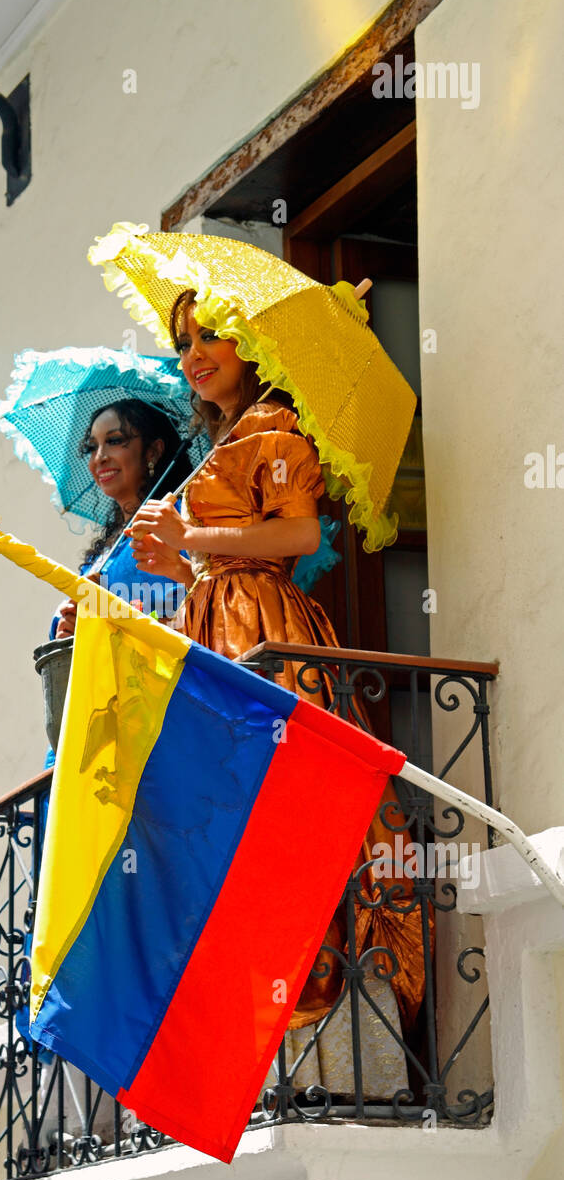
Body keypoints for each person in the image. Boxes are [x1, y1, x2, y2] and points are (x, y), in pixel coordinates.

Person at [127, 291, 427, 1100]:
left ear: (254, 345)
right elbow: (227, 552)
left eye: (212, 335)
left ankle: (337, 1045)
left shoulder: (278, 429)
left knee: (285, 813)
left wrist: (191, 539)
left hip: (264, 626)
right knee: (228, 828)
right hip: (218, 618)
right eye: (184, 340)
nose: (195, 352)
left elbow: (297, 536)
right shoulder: (223, 441)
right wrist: (179, 569)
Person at [50, 399, 191, 639]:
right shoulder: (101, 554)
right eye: (92, 447)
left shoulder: (182, 516)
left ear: (153, 451)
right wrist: (66, 623)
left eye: (114, 441)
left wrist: (110, 620)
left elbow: (203, 595)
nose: (100, 458)